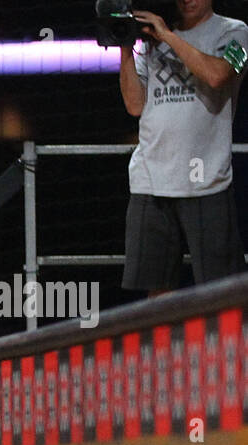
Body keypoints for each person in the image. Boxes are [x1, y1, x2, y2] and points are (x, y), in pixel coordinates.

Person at [119, 0, 248, 294]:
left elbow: (219, 75)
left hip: (206, 182)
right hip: (150, 180)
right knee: (156, 294)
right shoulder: (150, 38)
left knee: (222, 291)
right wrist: (126, 48)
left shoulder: (237, 33)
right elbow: (135, 105)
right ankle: (160, 343)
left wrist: (167, 36)